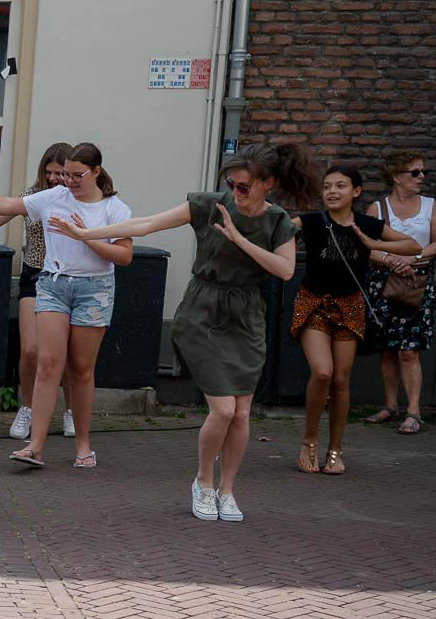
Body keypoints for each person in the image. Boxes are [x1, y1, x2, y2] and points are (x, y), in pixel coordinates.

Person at [52, 143, 314, 522]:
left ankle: (227, 490)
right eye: (232, 183)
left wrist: (239, 240)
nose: (235, 192)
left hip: (246, 315)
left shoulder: (278, 222)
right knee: (223, 409)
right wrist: (86, 233)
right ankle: (203, 482)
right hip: (203, 311)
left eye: (244, 187)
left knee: (241, 414)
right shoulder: (208, 204)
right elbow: (145, 224)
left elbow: (286, 271)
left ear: (267, 184)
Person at [0, 143, 134, 469]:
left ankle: (83, 446)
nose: (68, 181)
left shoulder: (114, 208)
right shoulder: (53, 197)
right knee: (47, 362)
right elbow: (7, 204)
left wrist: (83, 235)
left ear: (96, 172)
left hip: (94, 289)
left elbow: (124, 256)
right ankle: (35, 445)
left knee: (81, 369)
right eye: (65, 174)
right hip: (52, 283)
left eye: (76, 175)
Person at [292, 165, 417, 472]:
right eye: (327, 187)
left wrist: (375, 246)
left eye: (340, 186)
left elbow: (412, 246)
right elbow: (275, 228)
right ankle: (309, 442)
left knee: (340, 380)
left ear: (356, 192)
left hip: (350, 306)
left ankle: (335, 450)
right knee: (322, 372)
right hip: (313, 303)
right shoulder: (310, 222)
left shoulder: (368, 225)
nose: (332, 192)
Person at [364, 149, 433, 434]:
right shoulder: (377, 209)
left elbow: (435, 244)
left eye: (423, 172)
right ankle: (389, 405)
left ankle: (414, 411)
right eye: (414, 172)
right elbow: (366, 247)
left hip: (417, 283)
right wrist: (392, 260)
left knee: (409, 350)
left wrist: (412, 259)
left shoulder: (431, 206)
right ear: (396, 177)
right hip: (383, 283)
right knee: (387, 349)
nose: (421, 177)